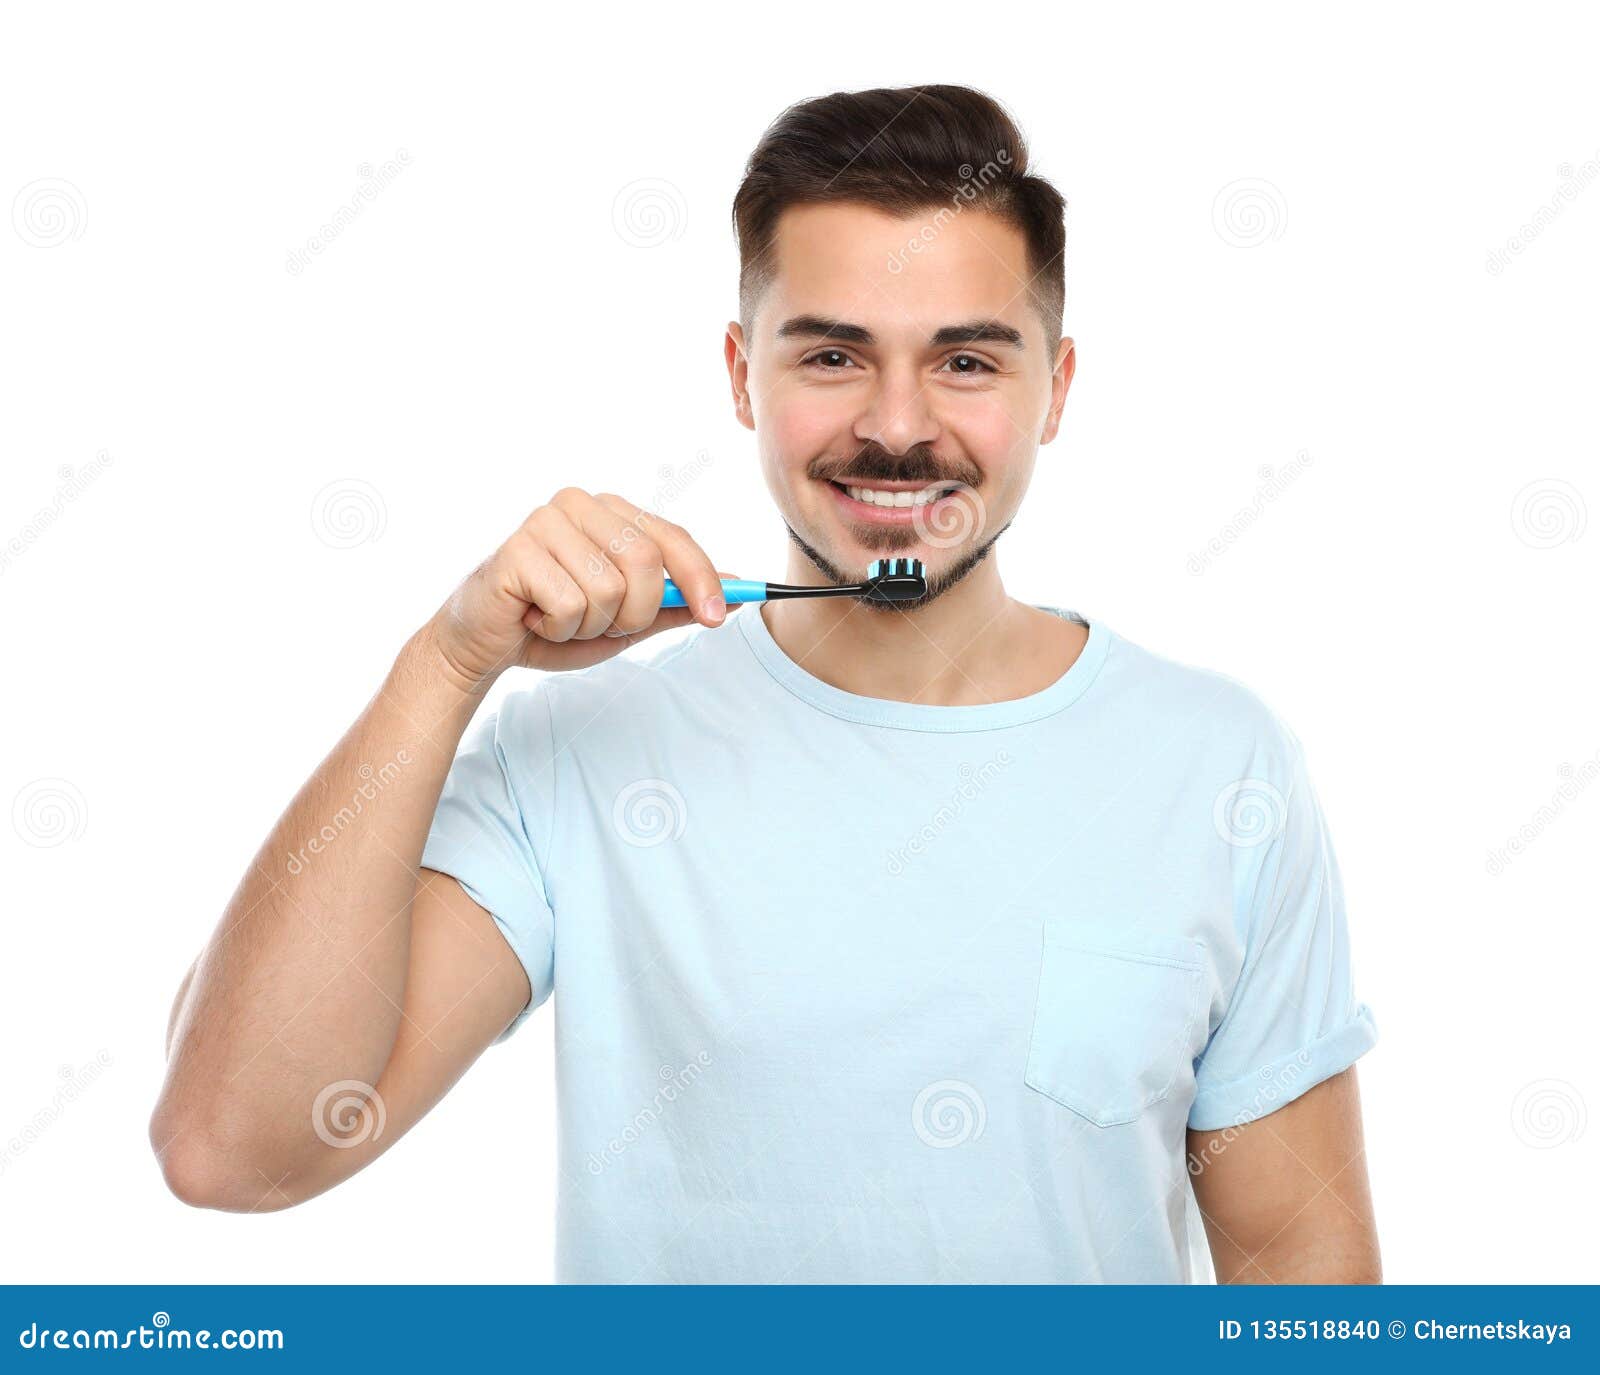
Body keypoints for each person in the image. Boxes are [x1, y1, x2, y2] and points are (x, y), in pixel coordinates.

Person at [151, 83, 1381, 1283]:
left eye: (965, 361)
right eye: (834, 354)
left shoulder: (1218, 765)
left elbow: (1297, 1274)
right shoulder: (580, 756)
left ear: (1053, 390)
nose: (897, 426)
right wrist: (447, 662)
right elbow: (233, 1147)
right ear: (742, 376)